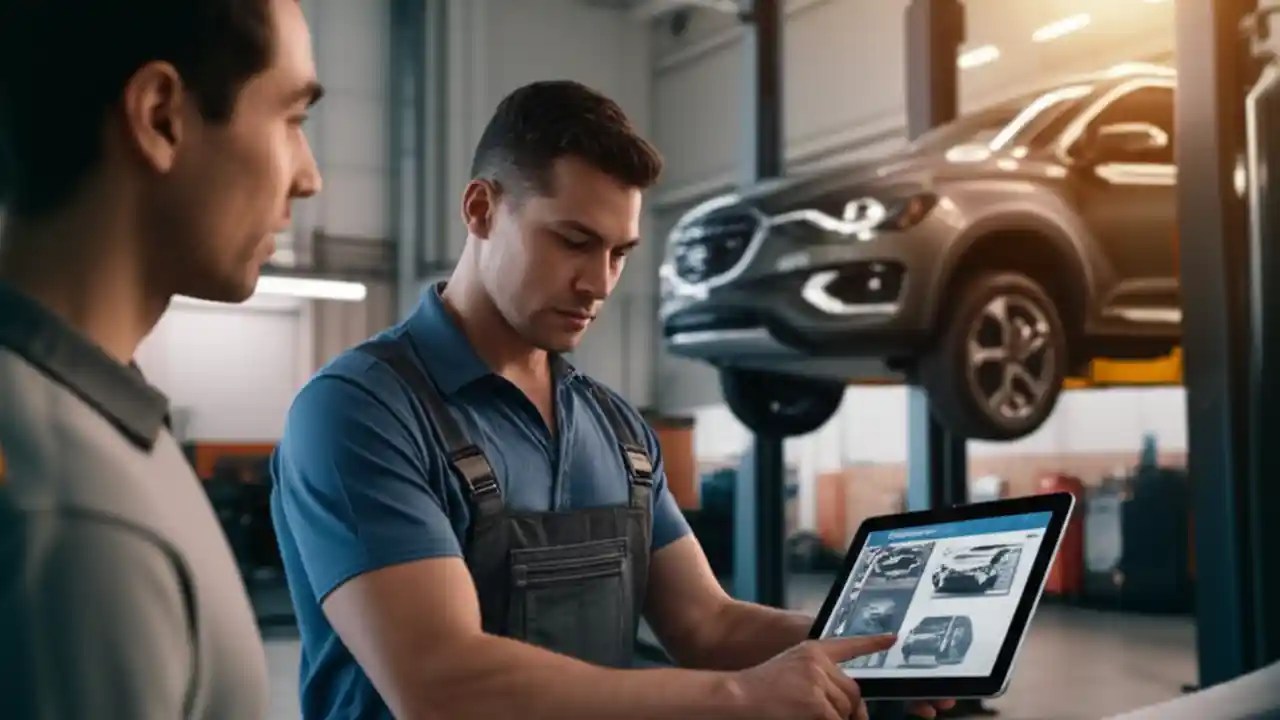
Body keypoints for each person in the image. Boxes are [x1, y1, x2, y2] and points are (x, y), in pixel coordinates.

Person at [271, 79, 953, 720]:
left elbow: (706, 625)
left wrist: (873, 649)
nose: (599, 283)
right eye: (574, 241)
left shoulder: (615, 427)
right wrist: (740, 699)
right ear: (481, 209)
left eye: (620, 252)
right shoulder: (362, 412)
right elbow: (440, 680)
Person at [0, 0, 323, 717]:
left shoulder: (95, 429)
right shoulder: (76, 520)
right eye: (293, 120)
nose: (309, 178)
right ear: (159, 117)